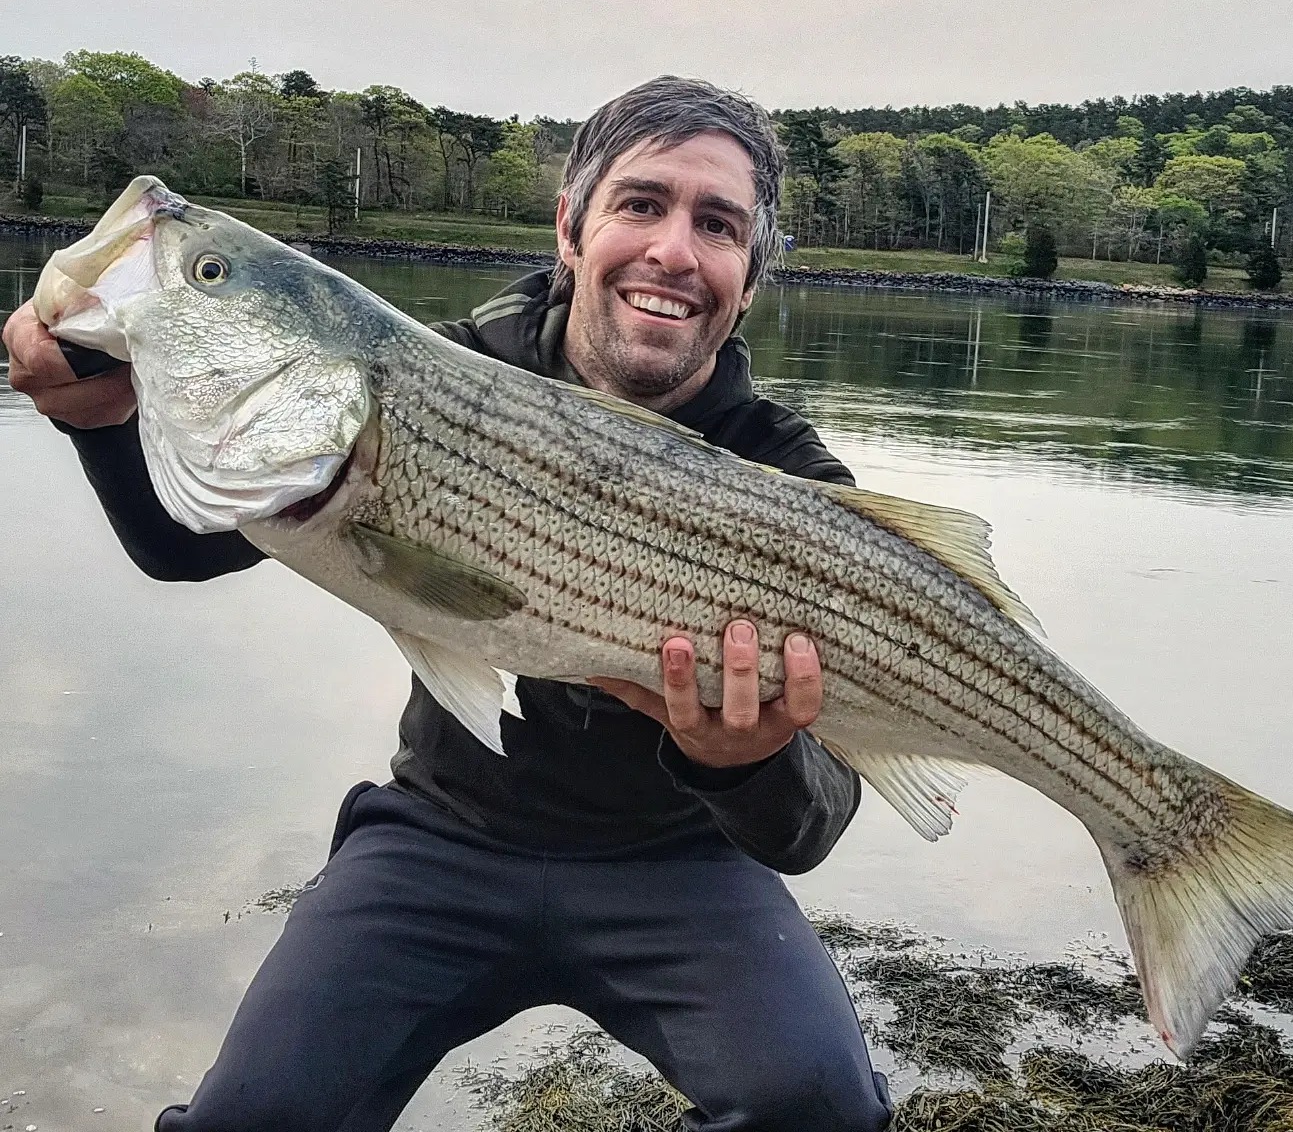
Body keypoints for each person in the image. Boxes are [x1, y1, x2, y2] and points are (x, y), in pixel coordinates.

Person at [4, 75, 894, 1132]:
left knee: (819, 1107)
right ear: (571, 225)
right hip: (441, 835)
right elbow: (192, 549)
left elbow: (806, 831)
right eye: (641, 204)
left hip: (678, 866)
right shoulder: (438, 370)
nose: (672, 250)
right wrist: (103, 426)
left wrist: (737, 760)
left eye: (718, 225)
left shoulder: (799, 490)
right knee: (254, 1118)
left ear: (747, 279)